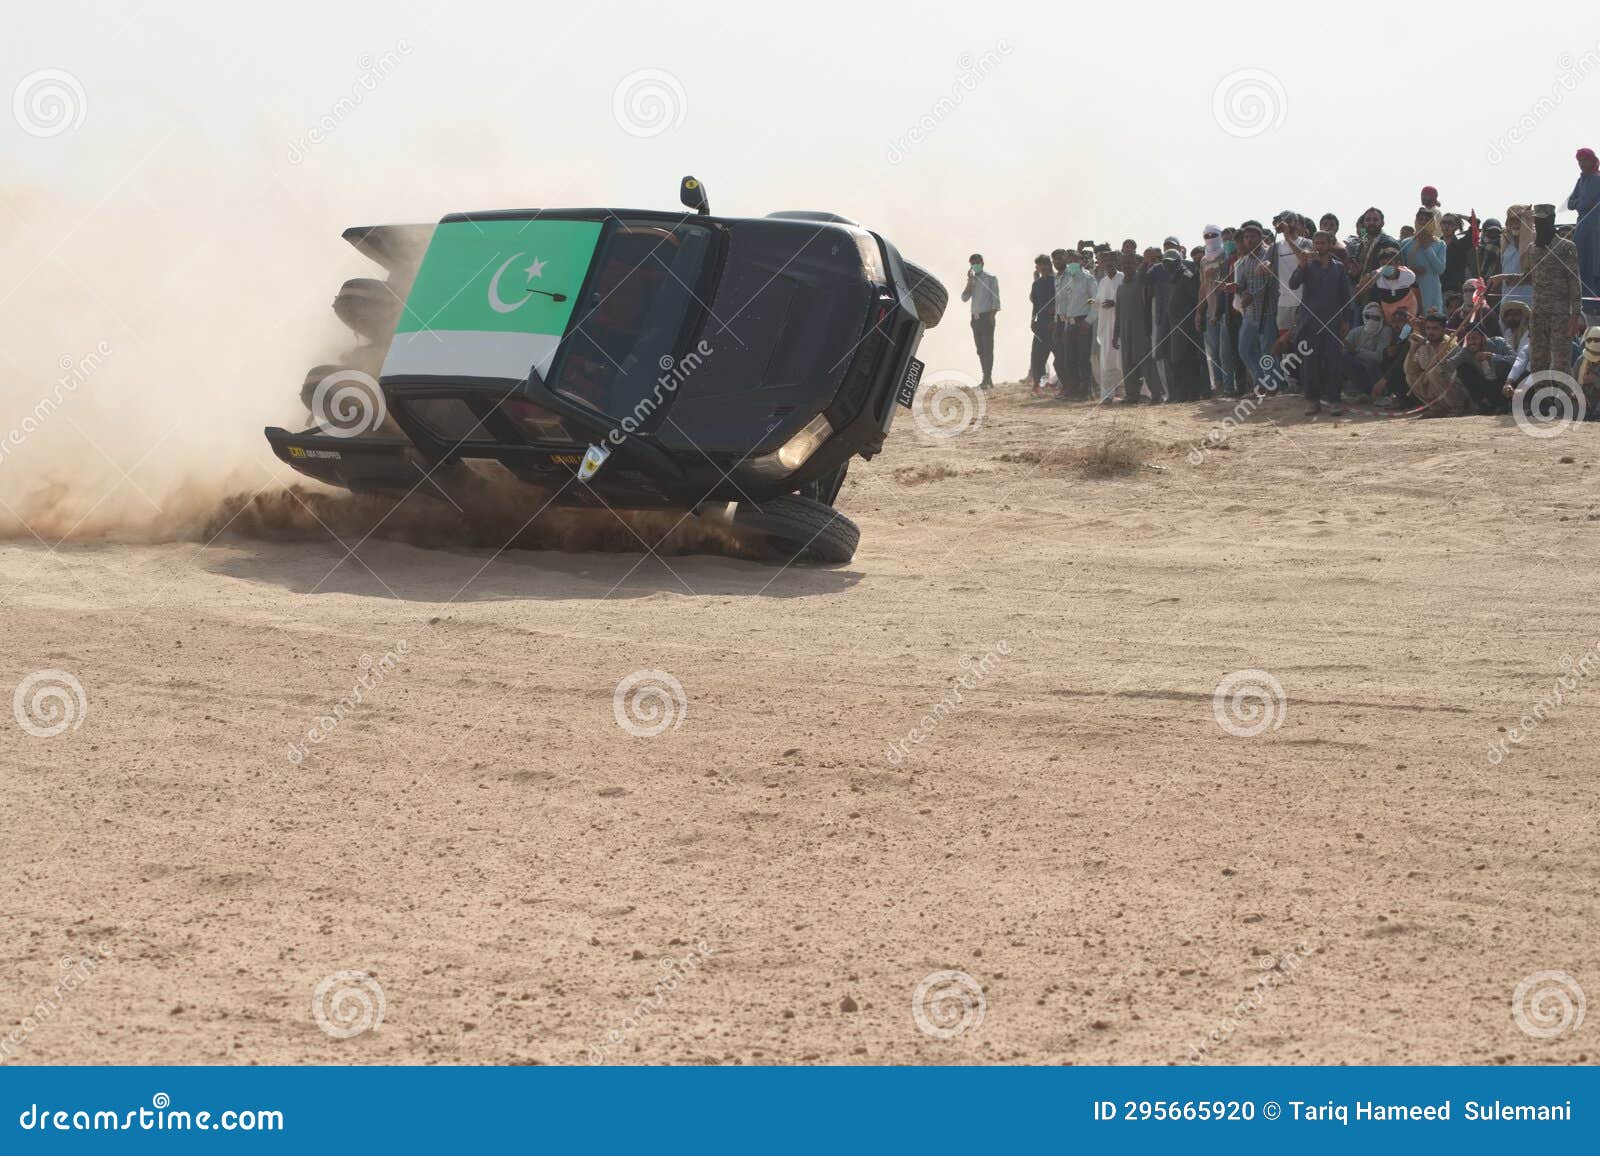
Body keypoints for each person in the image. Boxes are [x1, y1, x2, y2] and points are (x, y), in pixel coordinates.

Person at [1492, 203, 1585, 375]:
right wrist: (1504, 277)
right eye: (1538, 222)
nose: (1541, 227)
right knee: (1537, 363)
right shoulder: (1533, 249)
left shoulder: (1566, 247)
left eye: (1544, 223)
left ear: (1552, 222)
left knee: (1560, 364)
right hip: (1538, 315)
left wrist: (1576, 314)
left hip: (1560, 315)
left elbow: (1574, 281)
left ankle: (1566, 400)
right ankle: (1541, 399)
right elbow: (1530, 277)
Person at [1288, 230, 1353, 415]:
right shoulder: (1307, 265)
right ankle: (1312, 400)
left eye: (1323, 243)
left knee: (1334, 362)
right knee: (1310, 363)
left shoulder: (1339, 267)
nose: (1319, 247)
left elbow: (1345, 297)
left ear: (1330, 244)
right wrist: (1301, 265)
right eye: (1316, 243)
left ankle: (1334, 400)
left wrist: (1346, 320)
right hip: (1309, 324)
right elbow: (1292, 284)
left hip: (1332, 323)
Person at [1231, 220, 1278, 393]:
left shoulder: (1269, 254)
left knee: (1267, 350)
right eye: (1246, 237)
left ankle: (1272, 385)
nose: (1249, 240)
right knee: (1244, 349)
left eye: (1252, 236)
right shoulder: (1246, 260)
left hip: (1268, 311)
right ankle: (1261, 382)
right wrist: (1233, 287)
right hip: (1250, 313)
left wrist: (1252, 295)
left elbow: (1270, 282)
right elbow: (1242, 284)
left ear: (1260, 237)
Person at [1197, 224, 1237, 397]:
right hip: (1210, 310)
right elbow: (1204, 287)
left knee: (1225, 351)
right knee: (1213, 352)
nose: (1210, 238)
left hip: (1225, 309)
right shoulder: (1204, 261)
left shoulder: (1226, 255)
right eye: (1207, 236)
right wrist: (1199, 312)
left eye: (1214, 235)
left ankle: (1230, 386)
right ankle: (1219, 385)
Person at [1163, 248, 1207, 400]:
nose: (1167, 266)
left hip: (1187, 326)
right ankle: (1181, 394)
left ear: (1178, 262)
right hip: (1175, 327)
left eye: (1170, 263)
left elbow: (1194, 300)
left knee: (1188, 360)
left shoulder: (1187, 277)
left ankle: (1192, 394)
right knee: (1177, 360)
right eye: (1165, 263)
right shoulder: (1172, 278)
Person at [1052, 248, 1096, 399]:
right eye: (1069, 261)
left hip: (1082, 322)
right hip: (1069, 323)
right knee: (1069, 358)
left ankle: (1086, 391)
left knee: (1083, 358)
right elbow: (1066, 303)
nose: (1071, 264)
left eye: (1074, 261)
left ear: (1080, 262)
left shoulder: (1088, 279)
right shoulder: (1067, 279)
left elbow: (1094, 302)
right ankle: (1073, 390)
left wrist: (1088, 321)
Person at [1115, 250, 1157, 403]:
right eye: (1124, 264)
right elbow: (1118, 313)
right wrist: (1115, 334)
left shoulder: (1140, 282)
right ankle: (1131, 395)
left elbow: (1145, 270)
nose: (1127, 266)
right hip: (1125, 332)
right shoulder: (1120, 288)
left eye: (1130, 263)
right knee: (1128, 364)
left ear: (1135, 265)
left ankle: (1156, 395)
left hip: (1141, 330)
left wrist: (1146, 261)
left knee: (1146, 364)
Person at [1405, 311, 1467, 415]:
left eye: (1435, 329)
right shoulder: (1425, 345)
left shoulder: (1449, 344)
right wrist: (1413, 348)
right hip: (1436, 388)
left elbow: (1445, 370)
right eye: (1428, 328)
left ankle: (1457, 407)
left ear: (1443, 330)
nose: (1430, 332)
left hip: (1457, 388)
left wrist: (1438, 352)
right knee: (1411, 376)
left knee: (1434, 373)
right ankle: (1437, 407)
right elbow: (1409, 369)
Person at [1451, 327, 1514, 413]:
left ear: (1483, 338)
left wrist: (1492, 356)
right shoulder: (1466, 351)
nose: (1471, 342)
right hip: (1486, 386)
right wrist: (1441, 356)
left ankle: (1505, 404)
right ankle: (1484, 405)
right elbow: (1450, 364)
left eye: (1474, 338)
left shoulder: (1499, 342)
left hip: (1503, 384)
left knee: (1502, 364)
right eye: (1468, 339)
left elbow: (1514, 359)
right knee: (1462, 369)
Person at [961, 253, 1000, 389]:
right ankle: (986, 376)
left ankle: (987, 378)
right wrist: (969, 281)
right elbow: (964, 298)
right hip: (975, 318)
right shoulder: (972, 280)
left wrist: (992, 316)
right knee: (980, 349)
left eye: (976, 263)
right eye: (972, 263)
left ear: (982, 263)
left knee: (988, 348)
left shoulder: (990, 278)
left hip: (986, 317)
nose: (974, 265)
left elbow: (995, 299)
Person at [1569, 148, 1600, 321]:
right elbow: (1571, 203)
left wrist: (1582, 203)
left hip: (1595, 227)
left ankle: (1594, 303)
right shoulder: (1581, 181)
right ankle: (1586, 303)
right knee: (1581, 263)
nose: (1582, 163)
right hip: (1582, 226)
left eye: (1584, 160)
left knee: (1594, 263)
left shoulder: (1597, 179)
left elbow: (1586, 203)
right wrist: (1582, 203)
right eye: (1579, 160)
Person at [1399, 208, 1448, 315]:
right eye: (1420, 219)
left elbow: (1440, 269)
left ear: (1432, 223)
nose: (1423, 223)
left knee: (1432, 322)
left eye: (1427, 220)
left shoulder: (1440, 244)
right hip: (1410, 289)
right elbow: (1399, 268)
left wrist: (1427, 248)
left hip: (1431, 290)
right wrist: (1412, 271)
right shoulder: (1406, 243)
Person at [1342, 302, 1392, 397]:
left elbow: (1378, 357)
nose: (1371, 320)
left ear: (1381, 319)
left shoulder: (1386, 331)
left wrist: (1356, 351)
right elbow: (1344, 349)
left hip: (1376, 373)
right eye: (1368, 317)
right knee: (1342, 356)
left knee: (1371, 363)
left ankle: (1371, 392)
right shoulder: (1355, 332)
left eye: (1375, 318)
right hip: (1357, 370)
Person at [1094, 253, 1124, 401]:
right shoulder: (1102, 282)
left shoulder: (1123, 278)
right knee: (1107, 360)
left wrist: (1115, 303)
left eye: (1111, 260)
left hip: (1121, 326)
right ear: (1101, 264)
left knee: (1122, 359)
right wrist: (1094, 302)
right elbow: (1099, 301)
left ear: (1116, 262)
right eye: (1105, 261)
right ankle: (1107, 395)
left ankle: (1127, 392)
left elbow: (1129, 299)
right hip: (1106, 327)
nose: (1108, 263)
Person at [1027, 254, 1056, 393]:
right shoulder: (1036, 284)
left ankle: (1066, 385)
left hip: (1056, 324)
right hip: (1041, 324)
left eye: (1045, 264)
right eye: (1040, 265)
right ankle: (1036, 384)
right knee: (1037, 354)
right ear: (1037, 267)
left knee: (1060, 356)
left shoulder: (1056, 281)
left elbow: (1061, 301)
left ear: (1050, 265)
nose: (1043, 268)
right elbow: (1035, 304)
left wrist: (1055, 318)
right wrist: (1033, 320)